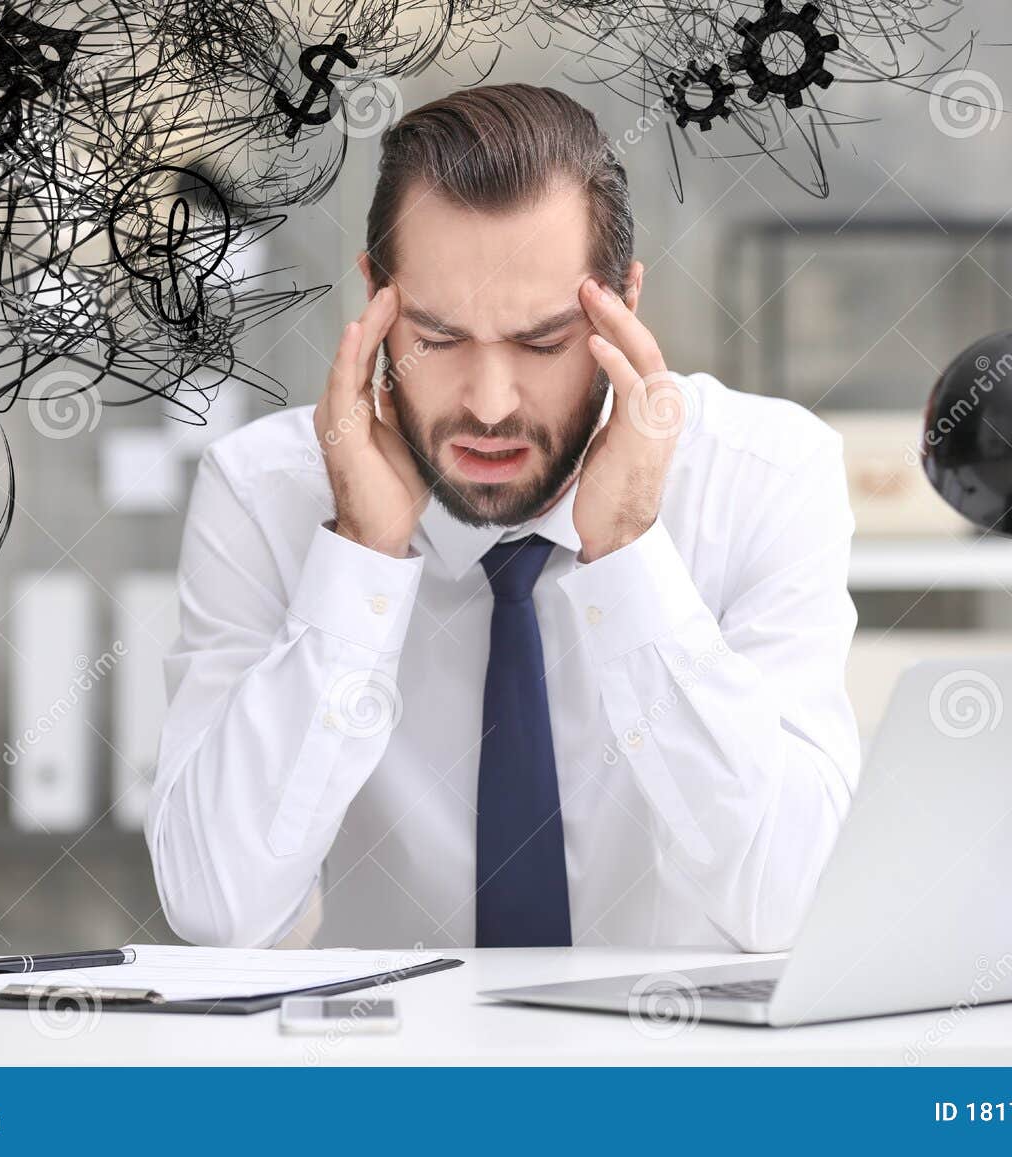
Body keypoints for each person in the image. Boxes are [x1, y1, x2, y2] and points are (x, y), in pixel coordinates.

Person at [146, 83, 859, 952]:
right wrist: (361, 559)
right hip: (401, 1041)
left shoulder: (767, 476)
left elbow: (791, 903)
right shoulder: (266, 492)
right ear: (375, 300)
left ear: (625, 308)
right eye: (439, 339)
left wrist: (627, 552)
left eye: (542, 342)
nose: (489, 406)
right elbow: (217, 908)